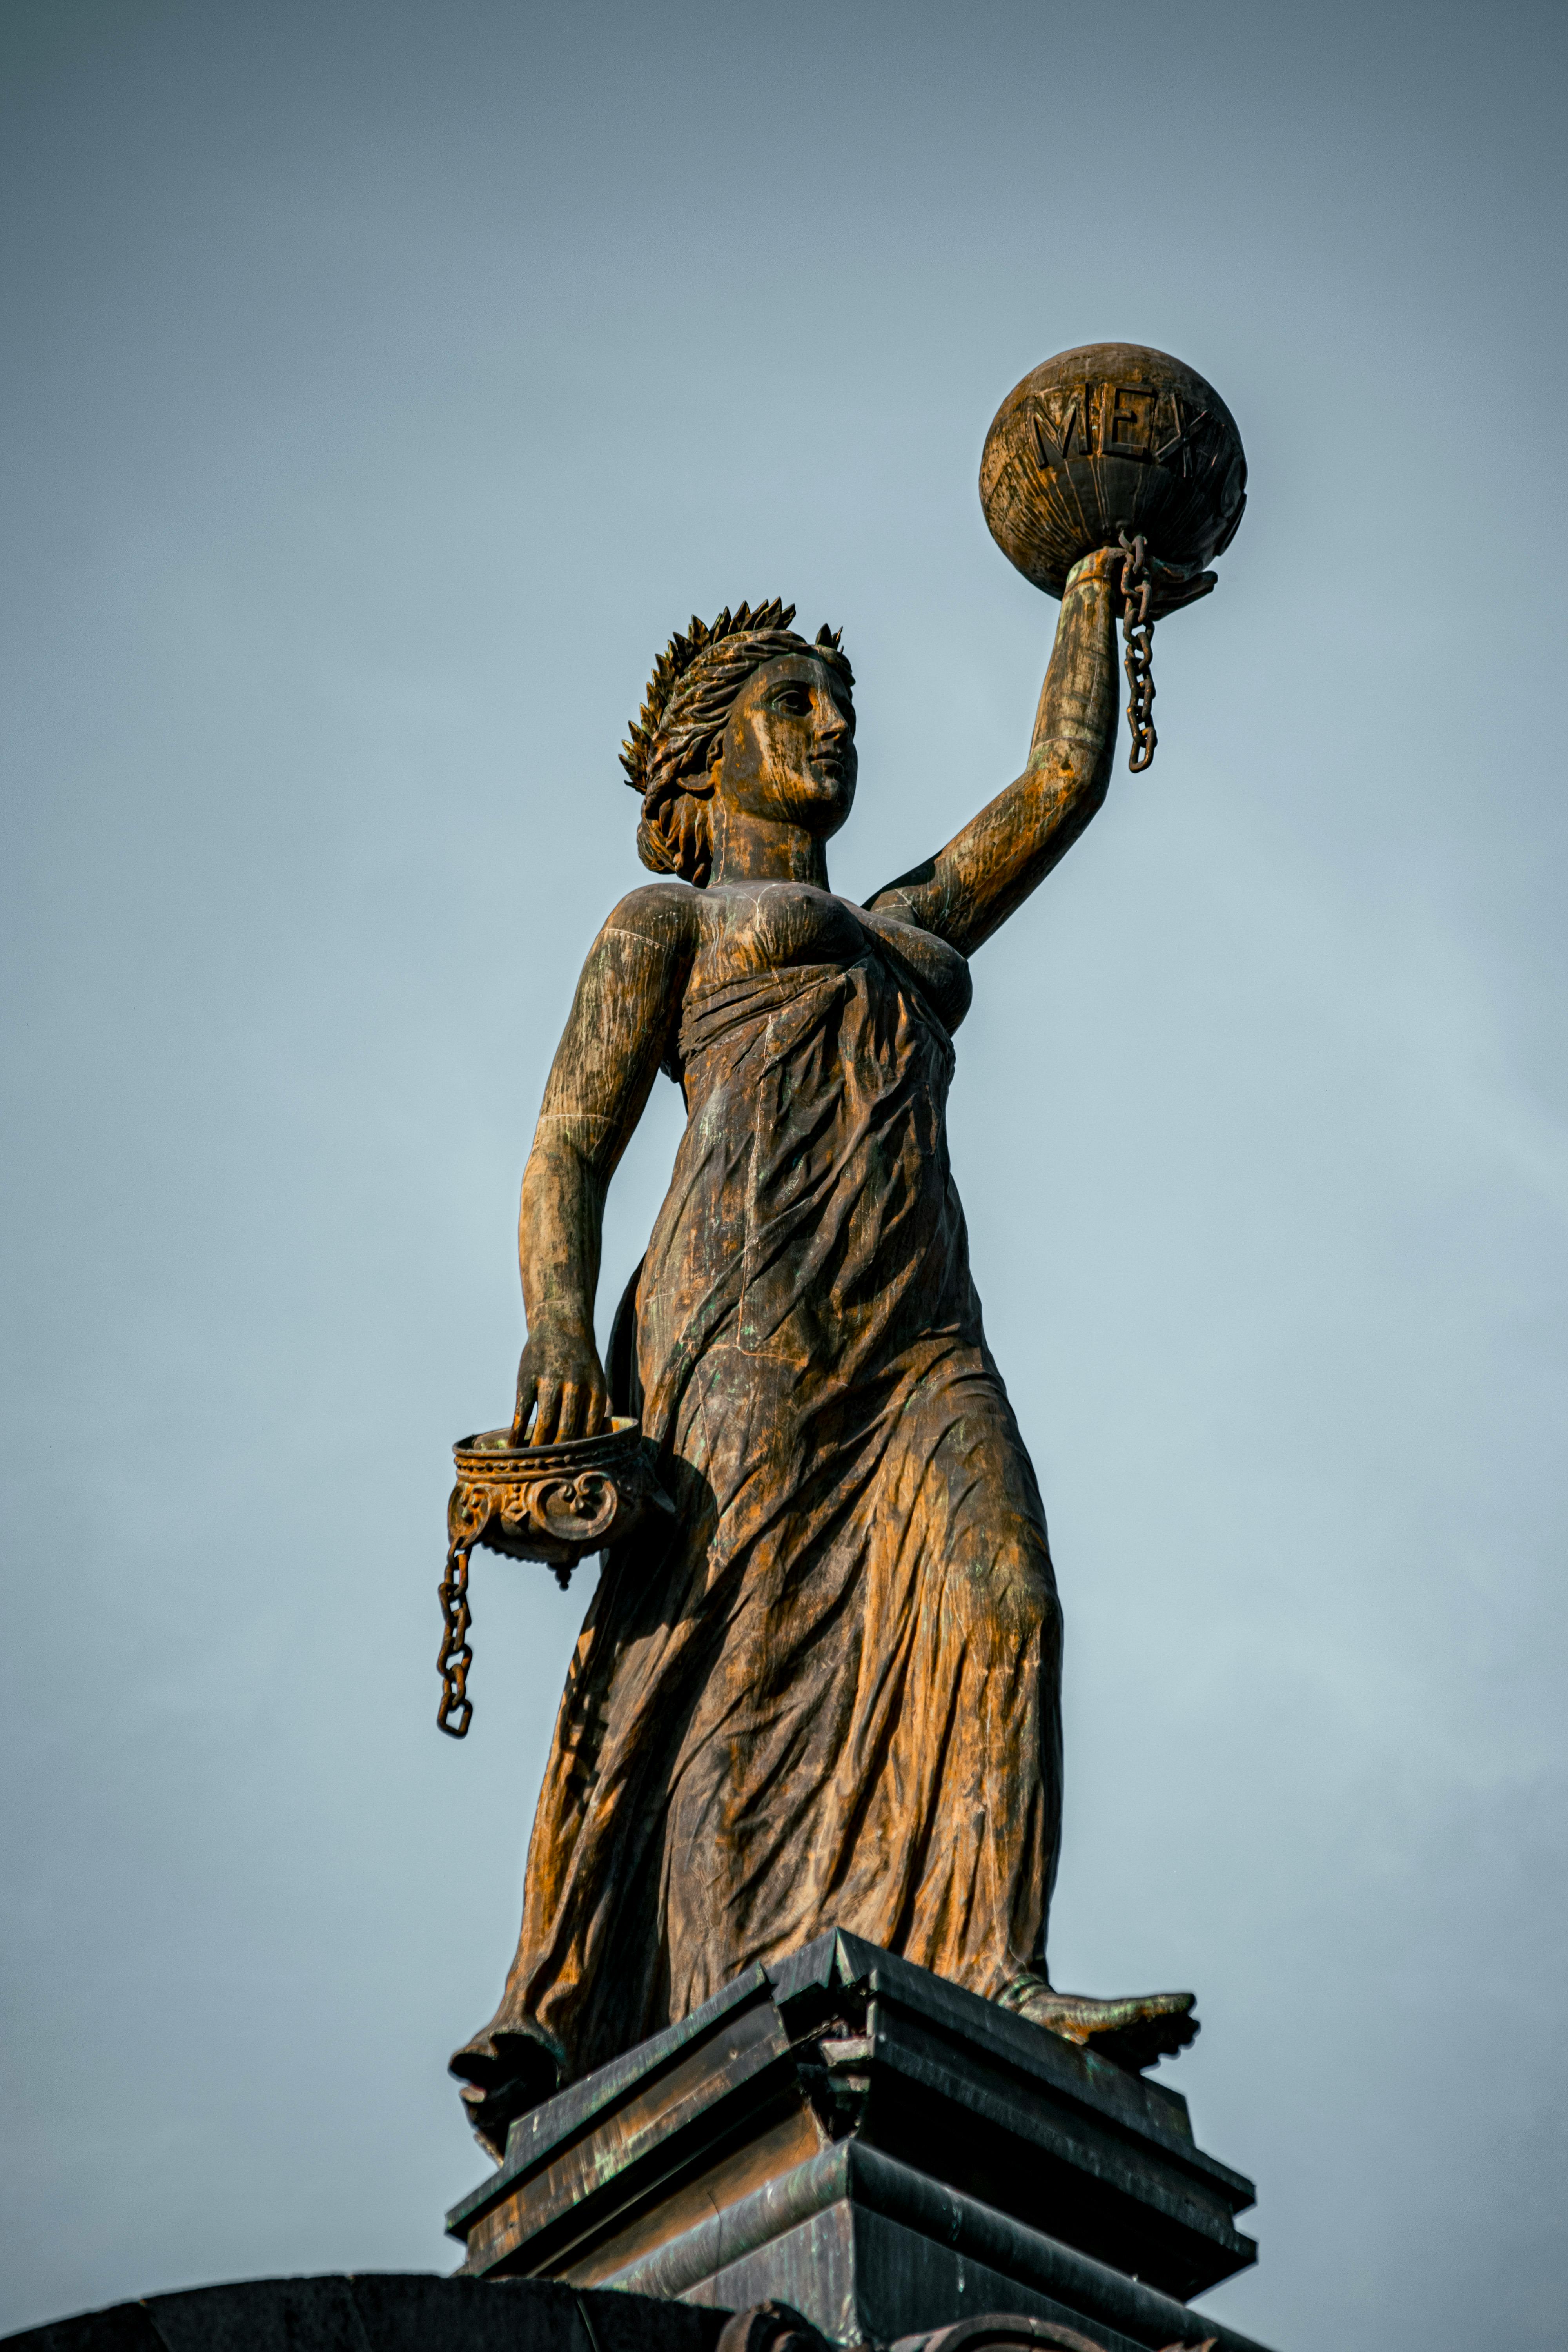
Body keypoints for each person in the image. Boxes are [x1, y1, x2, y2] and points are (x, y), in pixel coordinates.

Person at [452, 550, 1214, 2160]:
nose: (836, 723)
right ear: (697, 756)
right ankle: (665, 2002)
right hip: (746, 1318)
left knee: (1006, 1597)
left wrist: (1096, 590)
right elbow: (565, 1145)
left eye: (845, 700)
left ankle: (996, 1969)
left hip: (918, 1331)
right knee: (731, 1664)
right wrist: (554, 1331)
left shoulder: (903, 924)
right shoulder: (670, 919)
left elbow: (1062, 783)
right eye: (793, 700)